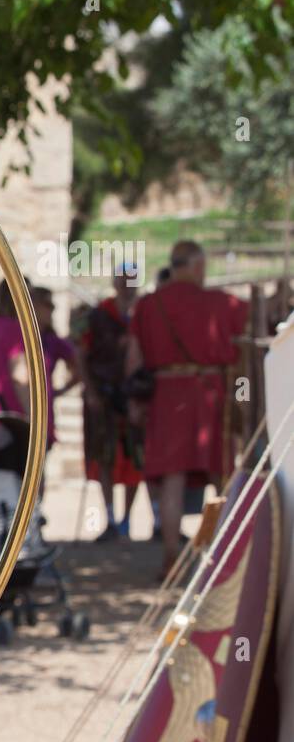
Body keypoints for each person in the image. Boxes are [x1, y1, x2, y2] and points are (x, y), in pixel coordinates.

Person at [127, 241, 248, 575]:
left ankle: (171, 557)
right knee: (220, 476)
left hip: (167, 395)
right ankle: (225, 559)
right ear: (196, 266)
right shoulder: (219, 302)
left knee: (172, 480)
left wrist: (134, 402)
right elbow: (257, 323)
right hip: (209, 393)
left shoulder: (149, 304)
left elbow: (134, 358)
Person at [76, 264, 143, 540]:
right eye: (123, 280)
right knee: (104, 456)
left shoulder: (144, 314)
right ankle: (110, 518)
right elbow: (80, 354)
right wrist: (90, 391)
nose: (127, 285)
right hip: (103, 396)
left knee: (135, 457)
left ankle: (126, 519)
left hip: (135, 396)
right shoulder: (97, 315)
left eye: (132, 280)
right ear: (115, 283)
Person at [31, 285, 82, 449]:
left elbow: (78, 367)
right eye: (47, 305)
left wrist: (58, 391)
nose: (51, 310)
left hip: (42, 416)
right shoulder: (17, 336)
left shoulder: (52, 341)